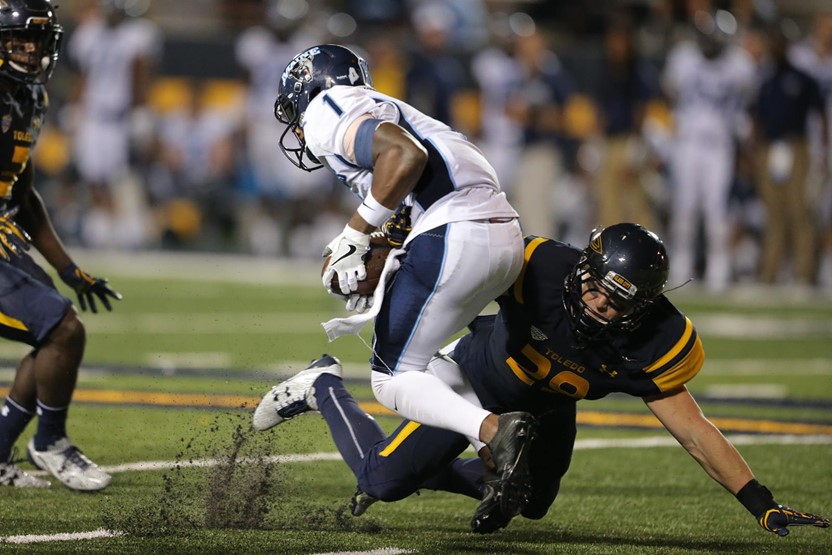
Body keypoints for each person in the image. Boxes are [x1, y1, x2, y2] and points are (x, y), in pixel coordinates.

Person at [253, 223, 830, 537]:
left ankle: (490, 470)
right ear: (584, 268)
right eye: (595, 287)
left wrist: (760, 503)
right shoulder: (538, 266)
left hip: (548, 411)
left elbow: (695, 433)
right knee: (382, 480)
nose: (598, 304)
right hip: (476, 381)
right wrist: (396, 252)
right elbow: (457, 266)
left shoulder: (654, 340)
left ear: (643, 308)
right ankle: (323, 386)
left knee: (530, 505)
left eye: (615, 302)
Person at [258, 43, 536, 519]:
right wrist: (380, 253)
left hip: (458, 232)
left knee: (391, 378)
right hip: (504, 238)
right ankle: (487, 452)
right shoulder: (395, 108)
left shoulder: (328, 107)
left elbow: (405, 155)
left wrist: (354, 233)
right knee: (422, 363)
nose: (297, 125)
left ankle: (492, 433)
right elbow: (415, 190)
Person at [0, 0, 122, 491]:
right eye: (19, 41)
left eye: (37, 40)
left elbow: (23, 195)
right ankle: (49, 441)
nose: (31, 51)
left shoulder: (31, 97)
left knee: (56, 333)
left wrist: (69, 270)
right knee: (62, 330)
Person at [662, 9, 757, 292]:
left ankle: (718, 269)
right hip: (688, 143)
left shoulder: (739, 64)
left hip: (719, 146)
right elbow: (670, 93)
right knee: (684, 208)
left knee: (717, 210)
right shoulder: (683, 58)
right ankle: (681, 266)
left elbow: (748, 100)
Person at [752, 25, 828, 285]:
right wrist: (756, 152)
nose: (774, 49)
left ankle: (803, 272)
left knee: (799, 210)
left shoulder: (802, 79)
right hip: (770, 149)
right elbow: (757, 120)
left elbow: (820, 113)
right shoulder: (767, 81)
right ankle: (769, 272)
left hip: (796, 147)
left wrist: (823, 150)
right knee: (773, 212)